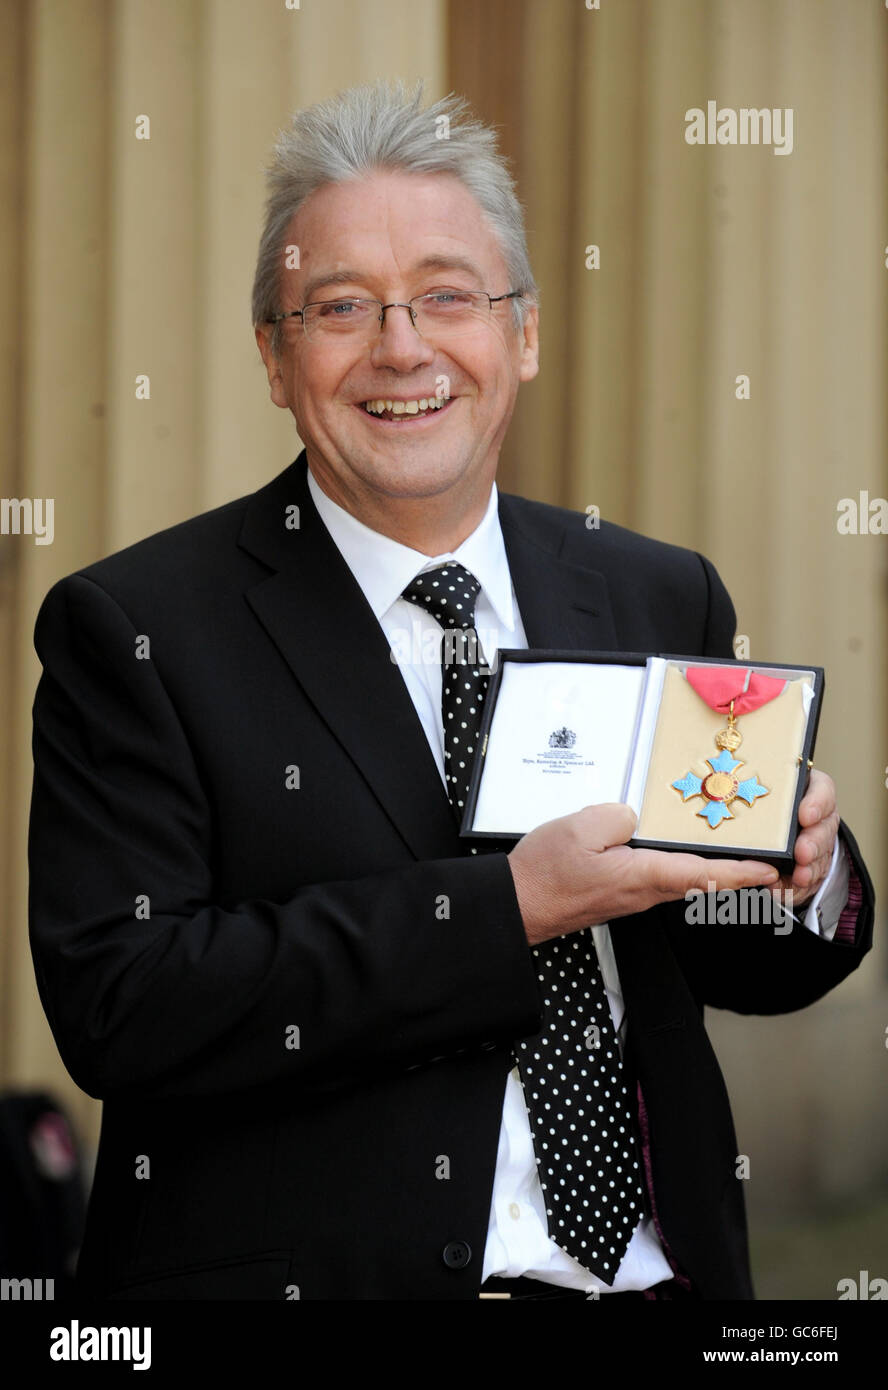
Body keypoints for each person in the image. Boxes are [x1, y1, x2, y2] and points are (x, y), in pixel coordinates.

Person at [28, 80, 873, 1301]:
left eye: (446, 295)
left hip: (660, 1285)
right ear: (275, 355)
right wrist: (503, 911)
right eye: (340, 308)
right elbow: (123, 1004)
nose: (404, 346)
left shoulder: (652, 589)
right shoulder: (141, 628)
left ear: (521, 333)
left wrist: (804, 873)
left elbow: (744, 963)